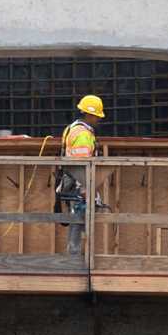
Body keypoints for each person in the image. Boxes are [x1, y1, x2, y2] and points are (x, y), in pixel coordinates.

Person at [57, 94, 105, 255]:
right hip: (78, 183)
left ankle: (77, 257)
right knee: (79, 220)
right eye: (97, 116)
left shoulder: (73, 128)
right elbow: (81, 163)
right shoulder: (83, 134)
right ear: (89, 115)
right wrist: (85, 187)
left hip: (72, 181)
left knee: (78, 219)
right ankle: (76, 259)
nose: (98, 119)